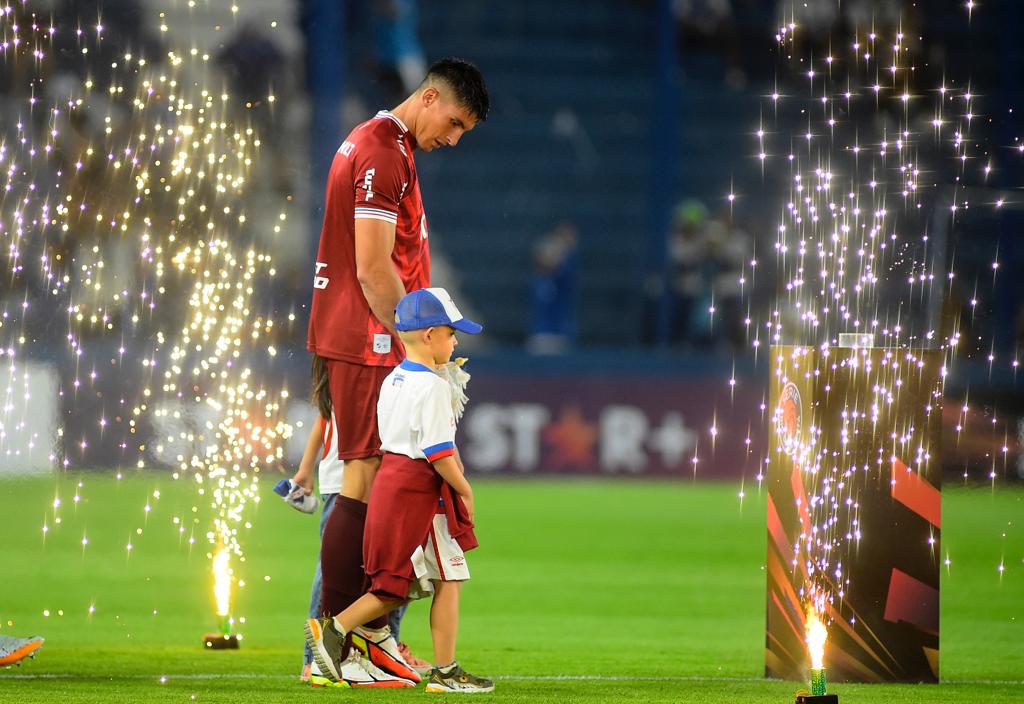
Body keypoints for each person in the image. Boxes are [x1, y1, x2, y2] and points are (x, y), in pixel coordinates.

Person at [305, 57, 489, 686]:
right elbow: (373, 267)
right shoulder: (383, 152)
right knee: (359, 482)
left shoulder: (387, 147)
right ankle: (340, 644)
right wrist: (413, 343)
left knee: (369, 480)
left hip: (358, 335)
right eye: (455, 122)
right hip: (365, 337)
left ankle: (356, 641)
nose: (454, 138)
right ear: (430, 96)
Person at [305, 287, 493, 693]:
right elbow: (439, 453)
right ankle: (341, 631)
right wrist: (465, 490)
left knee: (413, 580)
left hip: (392, 479)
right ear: (428, 335)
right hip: (421, 489)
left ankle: (338, 629)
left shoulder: (393, 378)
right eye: (450, 332)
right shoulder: (434, 387)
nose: (455, 341)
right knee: (429, 580)